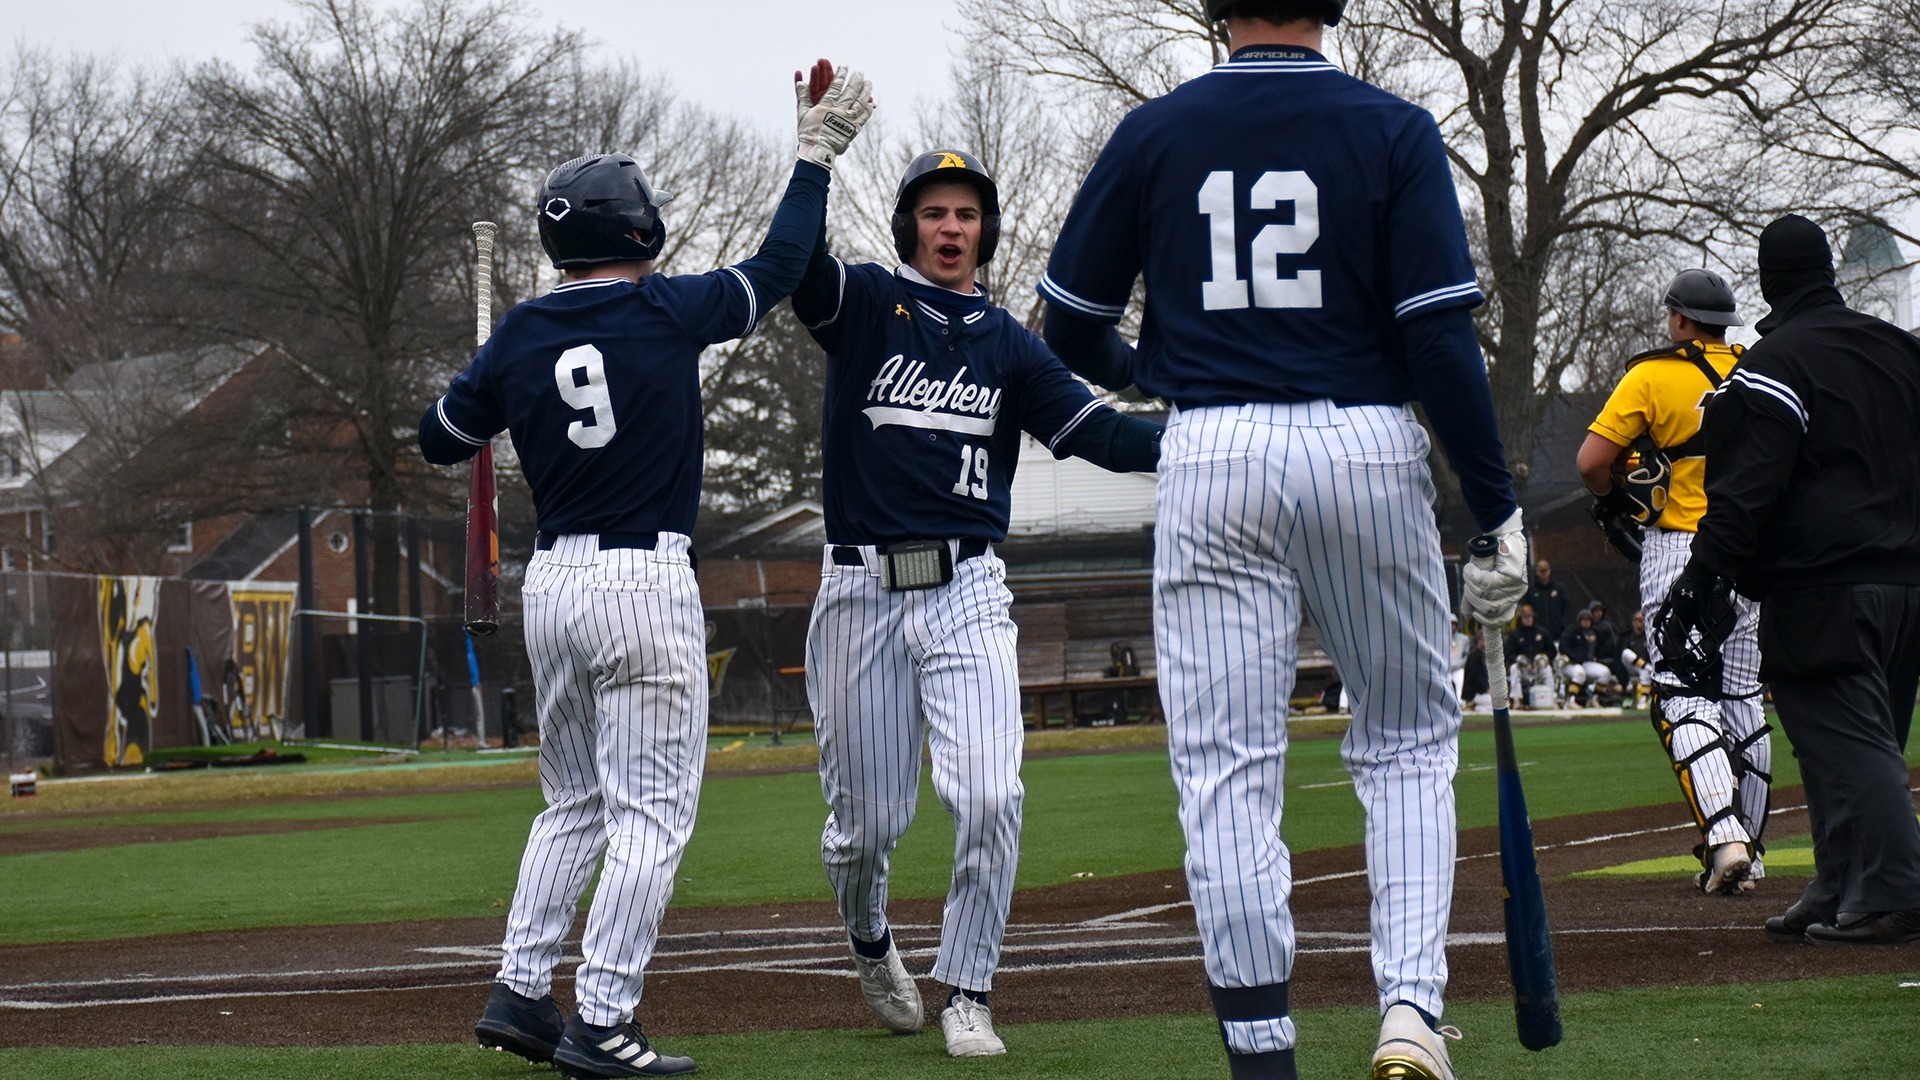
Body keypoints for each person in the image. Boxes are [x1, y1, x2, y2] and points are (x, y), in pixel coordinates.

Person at [1036, 1, 1525, 1075]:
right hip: (1363, 443)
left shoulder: (1154, 130)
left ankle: (1264, 1056)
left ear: (1217, 9)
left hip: (1210, 449)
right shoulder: (1394, 127)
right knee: (1402, 743)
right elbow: (1438, 339)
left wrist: (1152, 371)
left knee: (1225, 771)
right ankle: (1409, 1012)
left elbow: (1067, 325)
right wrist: (1495, 509)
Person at [420, 64, 874, 1078]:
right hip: (640, 585)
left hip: (554, 588)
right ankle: (604, 1017)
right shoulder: (670, 309)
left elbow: (437, 440)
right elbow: (784, 264)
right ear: (637, 230)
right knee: (651, 816)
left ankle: (522, 991)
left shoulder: (520, 338)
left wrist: (489, 381)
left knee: (573, 804)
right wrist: (813, 155)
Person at [789, 146, 1163, 1058]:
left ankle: (969, 990)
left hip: (965, 589)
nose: (951, 227)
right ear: (908, 226)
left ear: (984, 230)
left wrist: (1212, 425)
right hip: (860, 592)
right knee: (866, 827)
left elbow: (1103, 436)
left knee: (991, 794)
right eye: (934, 212)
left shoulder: (1008, 344)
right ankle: (871, 934)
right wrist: (811, 164)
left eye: (966, 214)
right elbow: (794, 267)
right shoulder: (871, 301)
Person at [1658, 215, 1920, 944]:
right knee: (1856, 742)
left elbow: (1748, 488)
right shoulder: (1901, 349)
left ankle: (1895, 890)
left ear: (1769, 281)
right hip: (1907, 582)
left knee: (1847, 746)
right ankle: (1839, 883)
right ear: (1830, 270)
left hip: (1824, 584)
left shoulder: (1776, 361)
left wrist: (1700, 579)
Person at [1577, 266, 1772, 895]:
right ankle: (1755, 852)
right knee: (1742, 696)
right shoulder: (1758, 362)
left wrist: (1613, 502)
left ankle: (1724, 838)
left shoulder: (1652, 374)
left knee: (1680, 694)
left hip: (1681, 547)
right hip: (1754, 547)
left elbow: (1593, 463)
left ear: (1680, 318)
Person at [1557, 608, 1616, 708]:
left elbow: (1606, 636)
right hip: (1570, 663)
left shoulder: (1594, 632)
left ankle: (1594, 699)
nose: (1586, 622)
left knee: (1605, 672)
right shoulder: (1572, 631)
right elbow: (1563, 647)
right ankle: (1570, 701)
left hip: (1585, 662)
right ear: (1579, 620)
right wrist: (1574, 656)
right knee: (1580, 673)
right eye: (1583, 619)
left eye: (1588, 620)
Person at [1504, 604, 1557, 709]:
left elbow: (1552, 651)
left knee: (1548, 669)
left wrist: (1543, 659)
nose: (1528, 619)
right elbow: (1509, 654)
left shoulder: (1542, 632)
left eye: (1530, 616)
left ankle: (1552, 699)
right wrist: (1520, 661)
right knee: (1514, 669)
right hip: (1522, 667)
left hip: (1539, 666)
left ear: (1533, 617)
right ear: (1521, 618)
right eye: (1525, 617)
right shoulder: (1515, 634)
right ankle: (1517, 700)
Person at [1523, 558, 1573, 641]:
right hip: (1538, 635)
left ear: (1549, 570)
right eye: (1541, 571)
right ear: (1537, 572)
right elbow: (1527, 610)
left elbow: (1566, 608)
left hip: (1558, 633)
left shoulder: (1559, 589)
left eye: (1546, 570)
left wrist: (1563, 624)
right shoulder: (1531, 591)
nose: (1544, 573)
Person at [1620, 609, 1654, 711]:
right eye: (1638, 620)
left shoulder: (1649, 636)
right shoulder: (1628, 636)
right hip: (1630, 667)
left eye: (1643, 620)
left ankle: (1643, 699)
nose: (1641, 623)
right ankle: (1647, 668)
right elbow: (1622, 655)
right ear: (1633, 622)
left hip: (1645, 668)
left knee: (1644, 671)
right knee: (1626, 652)